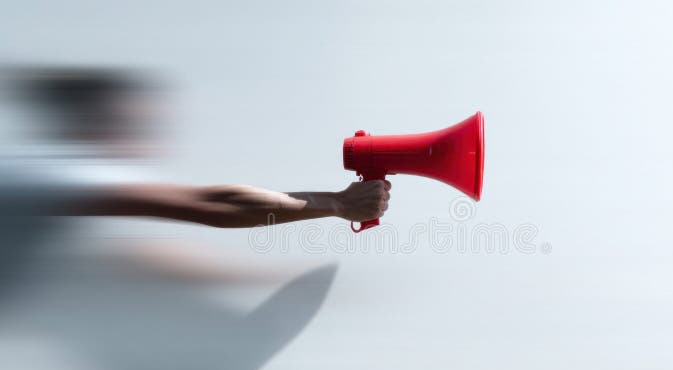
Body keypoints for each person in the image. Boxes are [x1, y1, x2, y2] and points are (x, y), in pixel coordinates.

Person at [2, 67, 390, 228]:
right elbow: (215, 203)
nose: (145, 143)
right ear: (92, 126)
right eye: (133, 128)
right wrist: (338, 204)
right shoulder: (65, 174)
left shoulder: (36, 175)